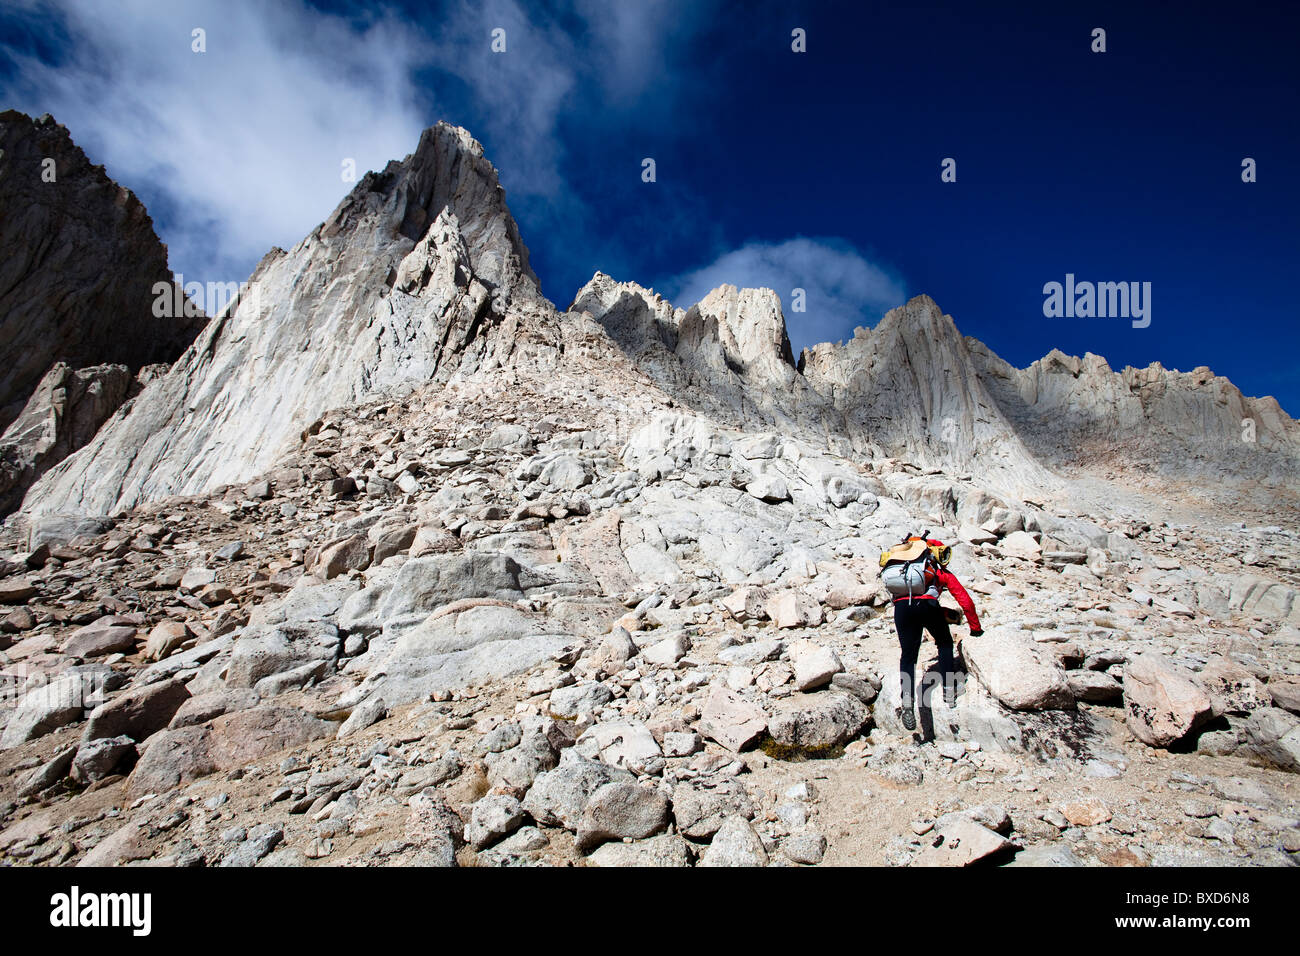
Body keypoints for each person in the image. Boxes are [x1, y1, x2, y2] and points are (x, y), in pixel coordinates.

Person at [883, 533, 983, 730]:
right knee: (944, 642)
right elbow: (965, 600)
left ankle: (907, 701)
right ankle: (948, 689)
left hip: (902, 609)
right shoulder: (936, 569)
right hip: (928, 606)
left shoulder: (902, 567)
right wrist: (975, 628)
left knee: (908, 656)